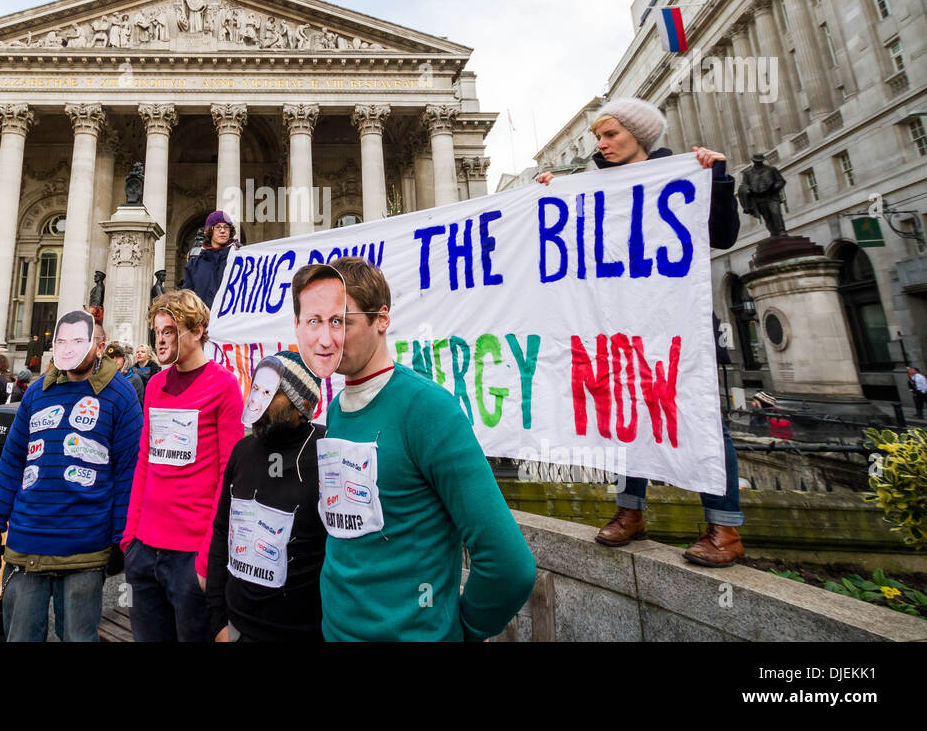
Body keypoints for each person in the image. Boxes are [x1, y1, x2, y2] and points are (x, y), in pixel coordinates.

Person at [537, 98, 747, 566]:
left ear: (639, 135)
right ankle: (630, 511)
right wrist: (550, 194)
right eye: (598, 137)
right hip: (616, 325)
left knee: (700, 420)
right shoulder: (592, 186)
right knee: (624, 417)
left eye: (610, 135)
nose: (602, 144)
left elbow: (723, 235)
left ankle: (725, 527)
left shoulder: (680, 173)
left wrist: (717, 178)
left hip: (674, 326)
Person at [316, 257, 537, 642]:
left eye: (341, 322)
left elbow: (509, 566)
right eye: (318, 323)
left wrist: (461, 630)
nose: (325, 339)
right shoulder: (336, 409)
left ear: (381, 318)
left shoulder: (428, 409)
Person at [0, 310, 143, 641]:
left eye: (79, 340)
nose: (69, 348)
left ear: (100, 346)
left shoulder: (121, 396)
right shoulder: (37, 393)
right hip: (27, 543)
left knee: (79, 637)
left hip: (85, 545)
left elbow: (128, 475)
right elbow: (12, 464)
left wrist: (120, 539)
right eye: (63, 341)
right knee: (20, 635)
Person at [121, 290, 243, 642]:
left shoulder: (223, 386)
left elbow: (228, 476)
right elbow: (144, 462)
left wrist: (207, 558)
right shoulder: (156, 384)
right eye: (158, 332)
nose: (161, 340)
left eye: (170, 331)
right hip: (144, 551)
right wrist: (131, 540)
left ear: (199, 330)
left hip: (191, 557)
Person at [205, 349, 327, 642]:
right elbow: (222, 532)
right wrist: (217, 620)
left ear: (300, 404)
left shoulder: (326, 451)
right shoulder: (243, 451)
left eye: (272, 392)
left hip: (302, 632)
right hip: (237, 627)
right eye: (257, 388)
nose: (259, 400)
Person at [182, 210, 240, 310]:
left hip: (231, 321)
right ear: (209, 230)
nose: (222, 231)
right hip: (203, 322)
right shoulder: (194, 264)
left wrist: (242, 252)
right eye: (217, 227)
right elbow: (187, 298)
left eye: (226, 227)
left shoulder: (239, 259)